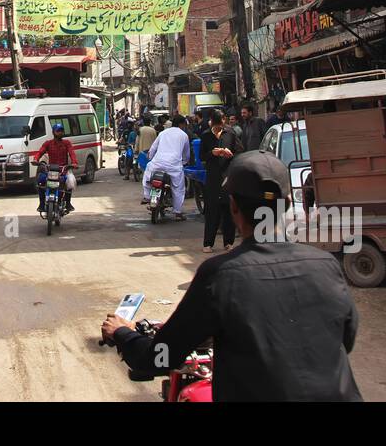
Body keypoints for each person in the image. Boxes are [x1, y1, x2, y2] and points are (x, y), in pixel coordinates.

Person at [103, 151, 361, 401]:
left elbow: (160, 357)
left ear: (234, 207)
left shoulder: (220, 274)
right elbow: (345, 340)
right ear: (289, 205)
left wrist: (123, 333)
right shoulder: (326, 264)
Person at [200, 109, 244, 253]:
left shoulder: (230, 134)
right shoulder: (206, 136)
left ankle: (229, 242)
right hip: (212, 178)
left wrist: (230, 154)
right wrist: (212, 153)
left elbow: (240, 151)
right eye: (217, 124)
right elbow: (201, 156)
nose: (219, 127)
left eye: (221, 124)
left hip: (227, 177)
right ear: (212, 122)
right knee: (212, 212)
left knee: (228, 211)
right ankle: (208, 243)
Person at [142, 114, 191, 220]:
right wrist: (185, 162)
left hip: (157, 164)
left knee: (147, 176)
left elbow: (153, 148)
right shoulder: (184, 135)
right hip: (174, 166)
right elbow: (186, 154)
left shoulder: (163, 133)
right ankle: (177, 212)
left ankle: (147, 196)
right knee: (178, 188)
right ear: (182, 124)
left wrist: (150, 157)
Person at [32, 123, 78, 213]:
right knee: (41, 180)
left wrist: (74, 163)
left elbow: (72, 153)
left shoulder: (67, 143)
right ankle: (41, 203)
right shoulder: (48, 143)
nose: (60, 133)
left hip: (63, 170)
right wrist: (35, 159)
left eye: (61, 131)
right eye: (58, 131)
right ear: (53, 132)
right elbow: (40, 152)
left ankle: (68, 203)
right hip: (51, 170)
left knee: (70, 181)